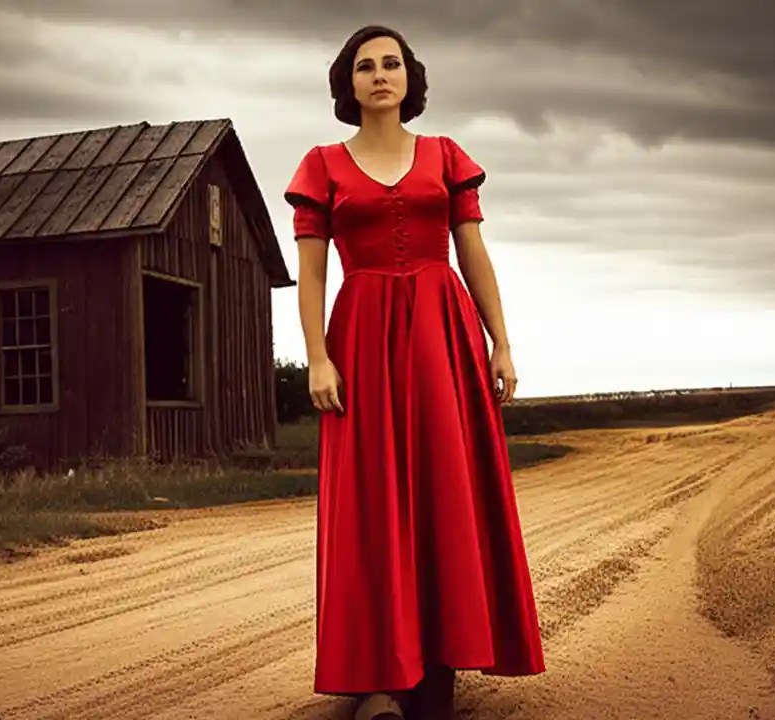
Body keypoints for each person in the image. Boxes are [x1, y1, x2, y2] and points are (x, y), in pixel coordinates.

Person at [283, 24, 546, 720]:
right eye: (365, 66)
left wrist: (501, 342)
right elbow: (311, 277)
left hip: (442, 339)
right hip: (363, 338)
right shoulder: (322, 167)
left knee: (443, 490)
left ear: (410, 77)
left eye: (391, 63)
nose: (379, 75)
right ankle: (377, 673)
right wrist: (317, 355)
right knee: (372, 499)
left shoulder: (446, 157)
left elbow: (473, 255)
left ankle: (438, 665)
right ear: (348, 84)